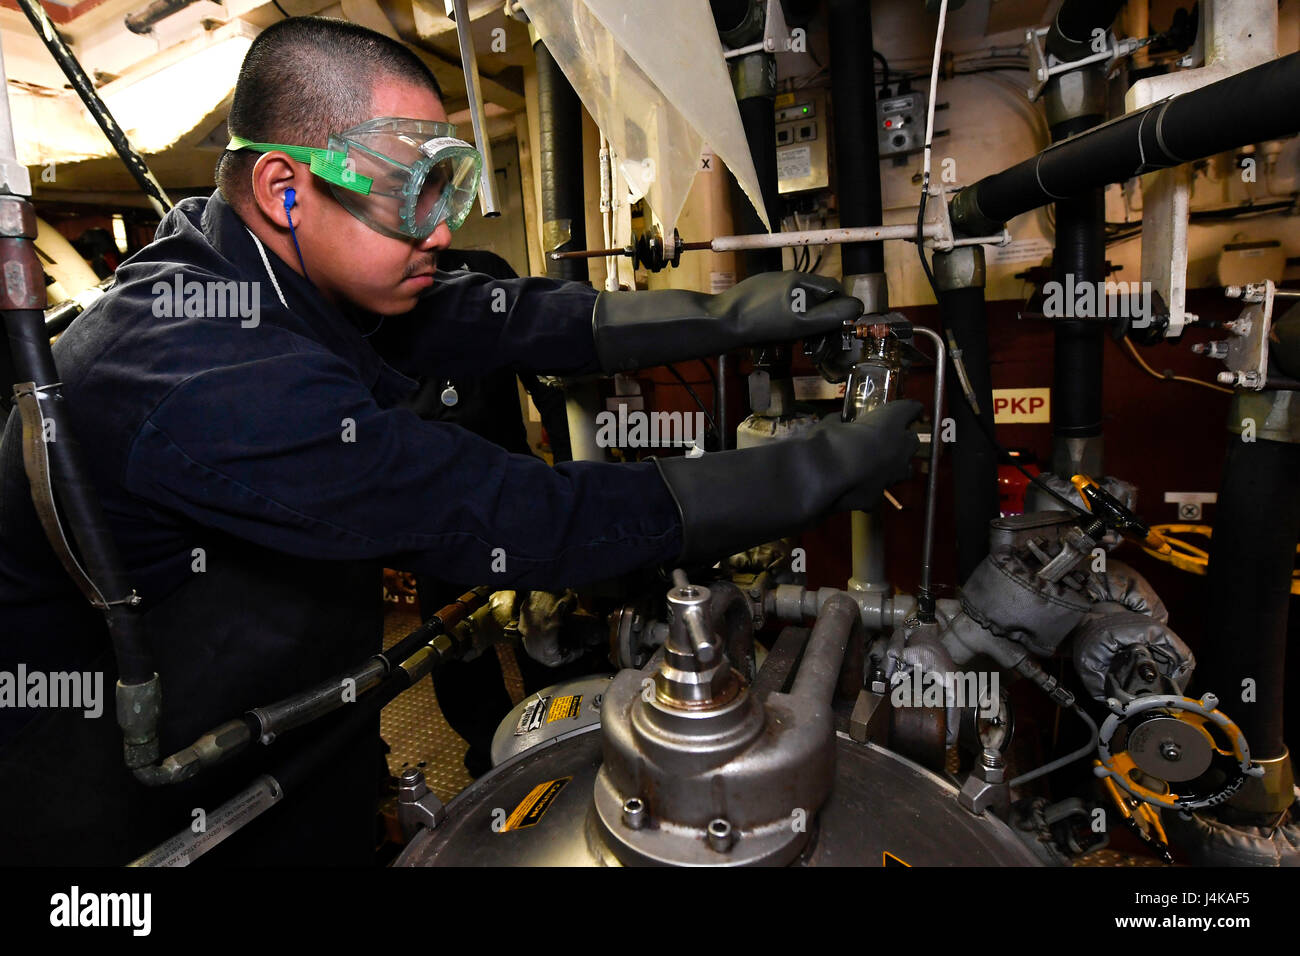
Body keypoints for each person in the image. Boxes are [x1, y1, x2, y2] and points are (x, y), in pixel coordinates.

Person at [0, 16, 920, 865]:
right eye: (412, 193)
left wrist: (728, 314)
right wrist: (824, 468)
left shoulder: (268, 276)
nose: (442, 229)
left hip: (291, 723)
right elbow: (519, 513)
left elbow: (501, 317)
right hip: (145, 813)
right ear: (285, 188)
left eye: (448, 185)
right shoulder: (199, 375)